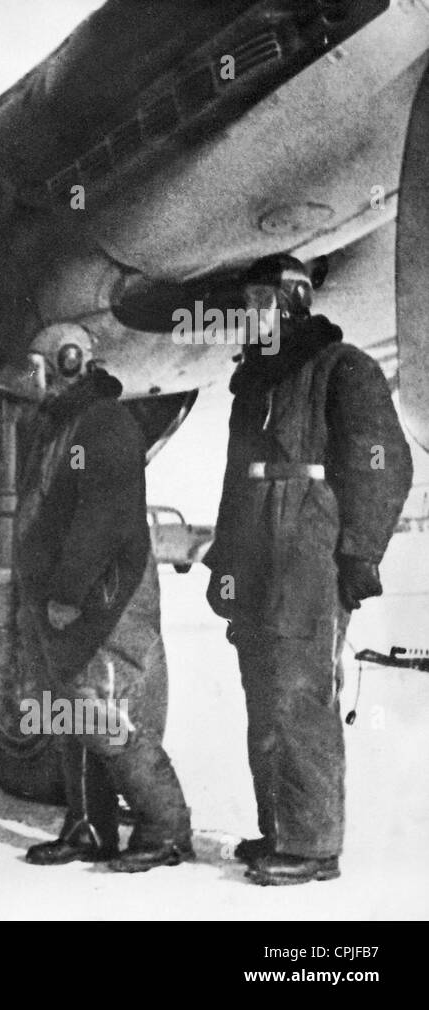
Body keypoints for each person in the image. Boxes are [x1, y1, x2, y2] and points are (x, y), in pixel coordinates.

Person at [204, 255, 413, 886]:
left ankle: (315, 845)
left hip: (307, 553)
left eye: (262, 301)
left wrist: (358, 556)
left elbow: (385, 464)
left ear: (295, 301)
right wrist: (223, 563)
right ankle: (280, 830)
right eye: (246, 304)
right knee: (262, 696)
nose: (250, 315)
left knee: (300, 696)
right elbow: (234, 479)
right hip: (255, 549)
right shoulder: (254, 382)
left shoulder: (342, 368)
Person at [12, 324, 193, 872]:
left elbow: (103, 519)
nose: (33, 379)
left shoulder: (106, 423)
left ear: (67, 362)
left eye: (40, 366)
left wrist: (67, 592)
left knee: (104, 715)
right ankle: (88, 826)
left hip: (105, 592)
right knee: (71, 709)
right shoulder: (65, 424)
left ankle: (166, 829)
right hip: (69, 592)